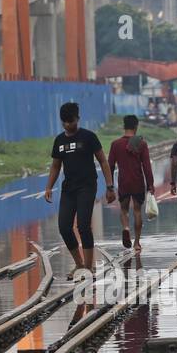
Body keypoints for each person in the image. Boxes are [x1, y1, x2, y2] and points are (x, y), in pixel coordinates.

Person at [45, 102, 114, 277]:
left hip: (87, 186)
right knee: (64, 227)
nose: (69, 125)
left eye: (72, 121)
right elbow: (55, 166)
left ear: (78, 118)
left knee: (83, 226)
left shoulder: (89, 137)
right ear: (62, 122)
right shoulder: (59, 141)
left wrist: (109, 186)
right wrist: (49, 187)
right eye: (66, 122)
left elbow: (103, 161)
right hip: (68, 189)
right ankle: (79, 264)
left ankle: (89, 266)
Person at [108, 115, 154, 253]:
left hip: (123, 182)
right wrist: (150, 184)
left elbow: (110, 166)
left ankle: (126, 228)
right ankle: (137, 243)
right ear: (136, 127)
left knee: (124, 210)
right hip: (137, 181)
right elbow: (146, 166)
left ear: (124, 126)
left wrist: (109, 186)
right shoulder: (141, 143)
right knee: (137, 211)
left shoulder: (115, 144)